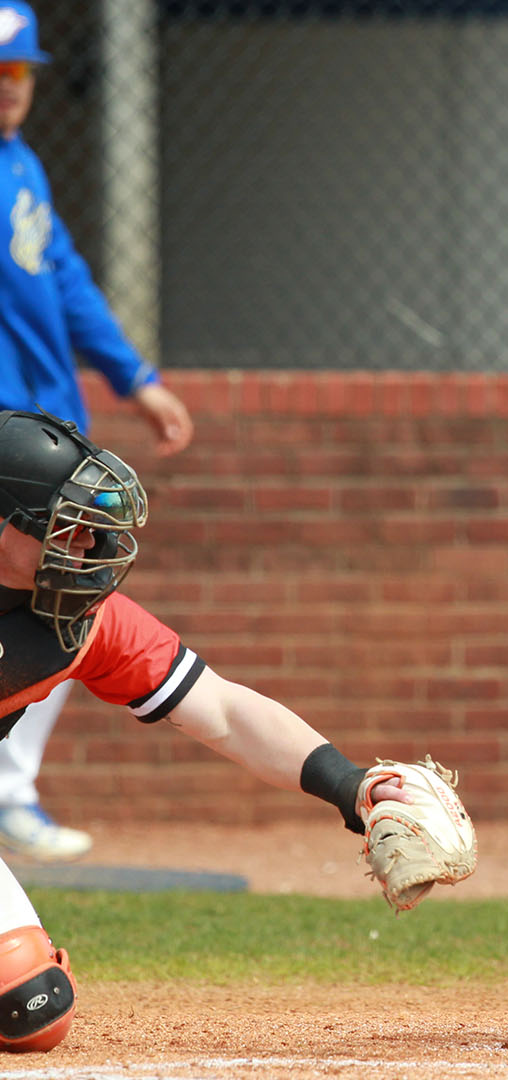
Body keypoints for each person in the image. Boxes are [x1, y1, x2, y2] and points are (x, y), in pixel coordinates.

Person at [0, 409, 456, 1051]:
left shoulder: (77, 621)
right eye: (60, 525)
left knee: (31, 1004)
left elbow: (223, 712)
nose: (83, 545)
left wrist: (351, 786)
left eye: (85, 527)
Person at [0, 0, 195, 862]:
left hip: (48, 433)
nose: (10, 87)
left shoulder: (23, 166)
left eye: (20, 71)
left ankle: (11, 792)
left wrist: (136, 379)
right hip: (6, 440)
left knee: (71, 595)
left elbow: (68, 281)